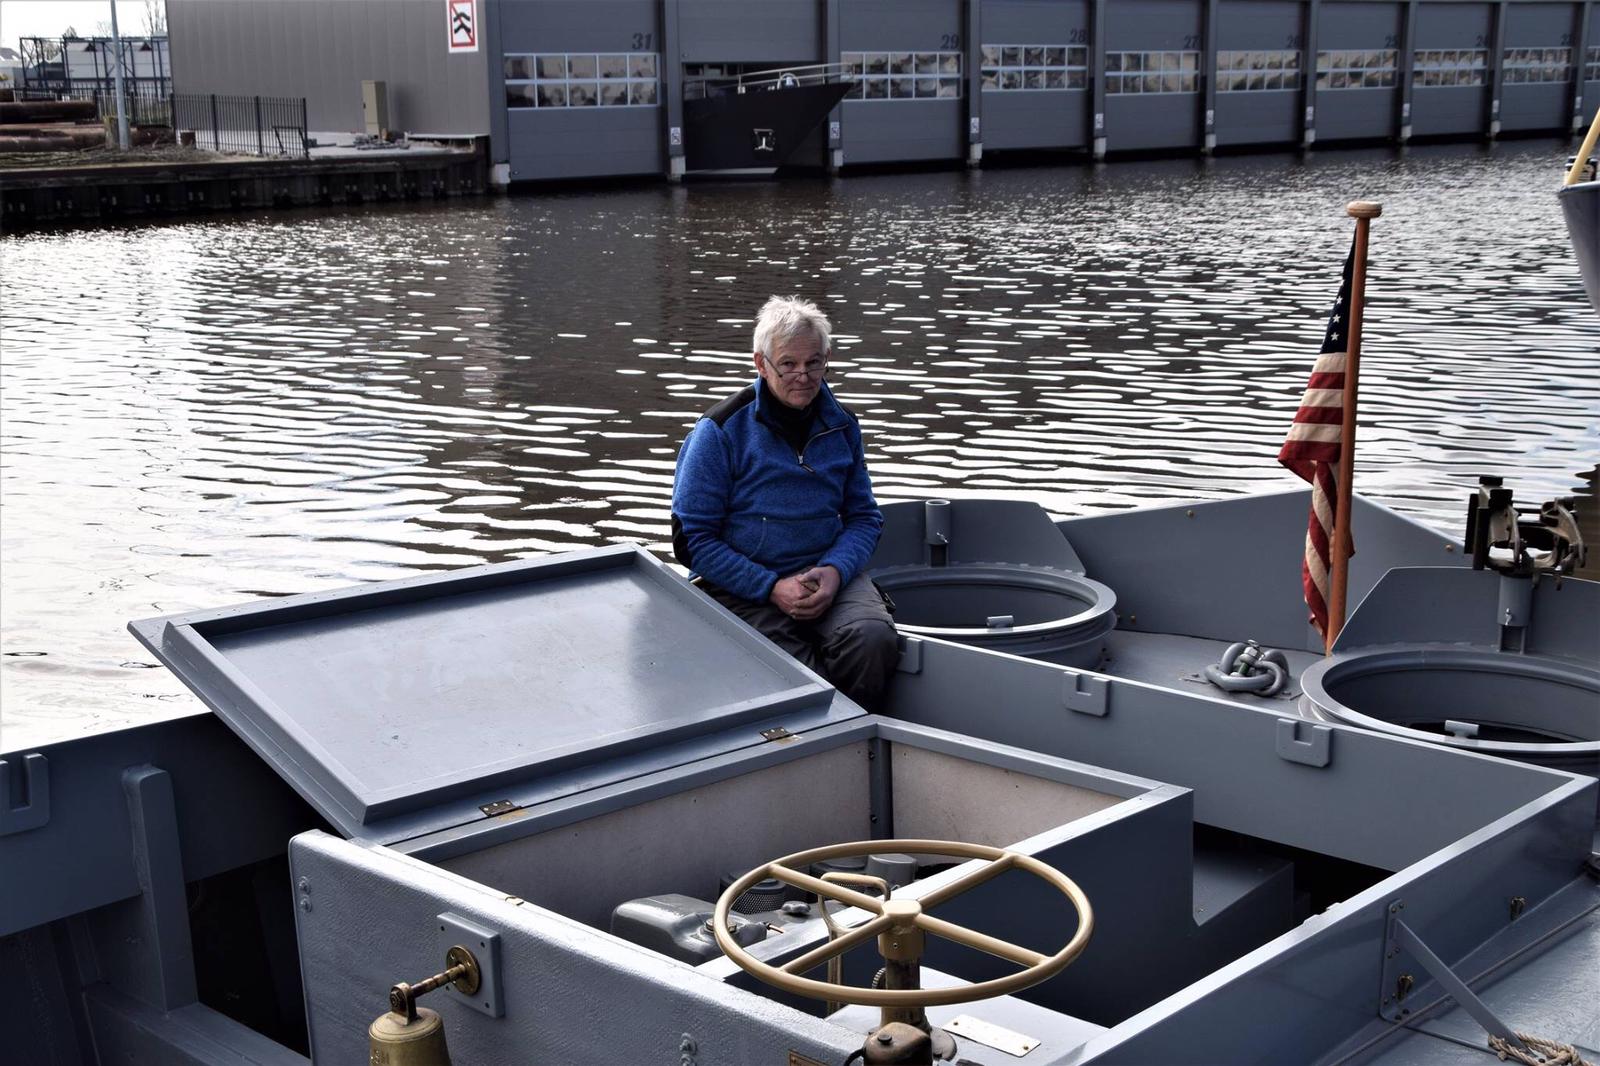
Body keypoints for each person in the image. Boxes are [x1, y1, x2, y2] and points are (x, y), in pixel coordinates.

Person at [671, 295, 899, 710]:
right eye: (788, 364)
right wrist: (770, 587)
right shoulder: (719, 430)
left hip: (826, 573)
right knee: (796, 673)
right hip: (743, 587)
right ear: (761, 364)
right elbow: (691, 541)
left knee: (872, 639)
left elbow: (864, 518)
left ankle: (855, 740)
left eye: (814, 362)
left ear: (827, 358)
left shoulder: (842, 426)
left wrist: (834, 571)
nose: (803, 376)